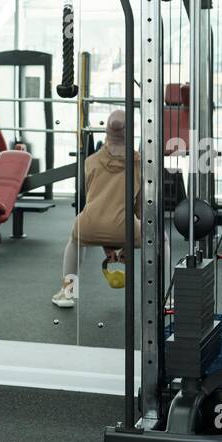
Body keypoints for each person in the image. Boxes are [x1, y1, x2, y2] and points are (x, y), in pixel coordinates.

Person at [53, 110, 141, 308]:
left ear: (106, 132)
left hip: (90, 225)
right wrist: (126, 242)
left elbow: (94, 203)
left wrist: (105, 243)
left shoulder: (90, 162)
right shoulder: (141, 163)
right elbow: (139, 211)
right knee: (162, 240)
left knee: (75, 241)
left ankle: (68, 292)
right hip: (126, 228)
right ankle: (168, 295)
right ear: (131, 131)